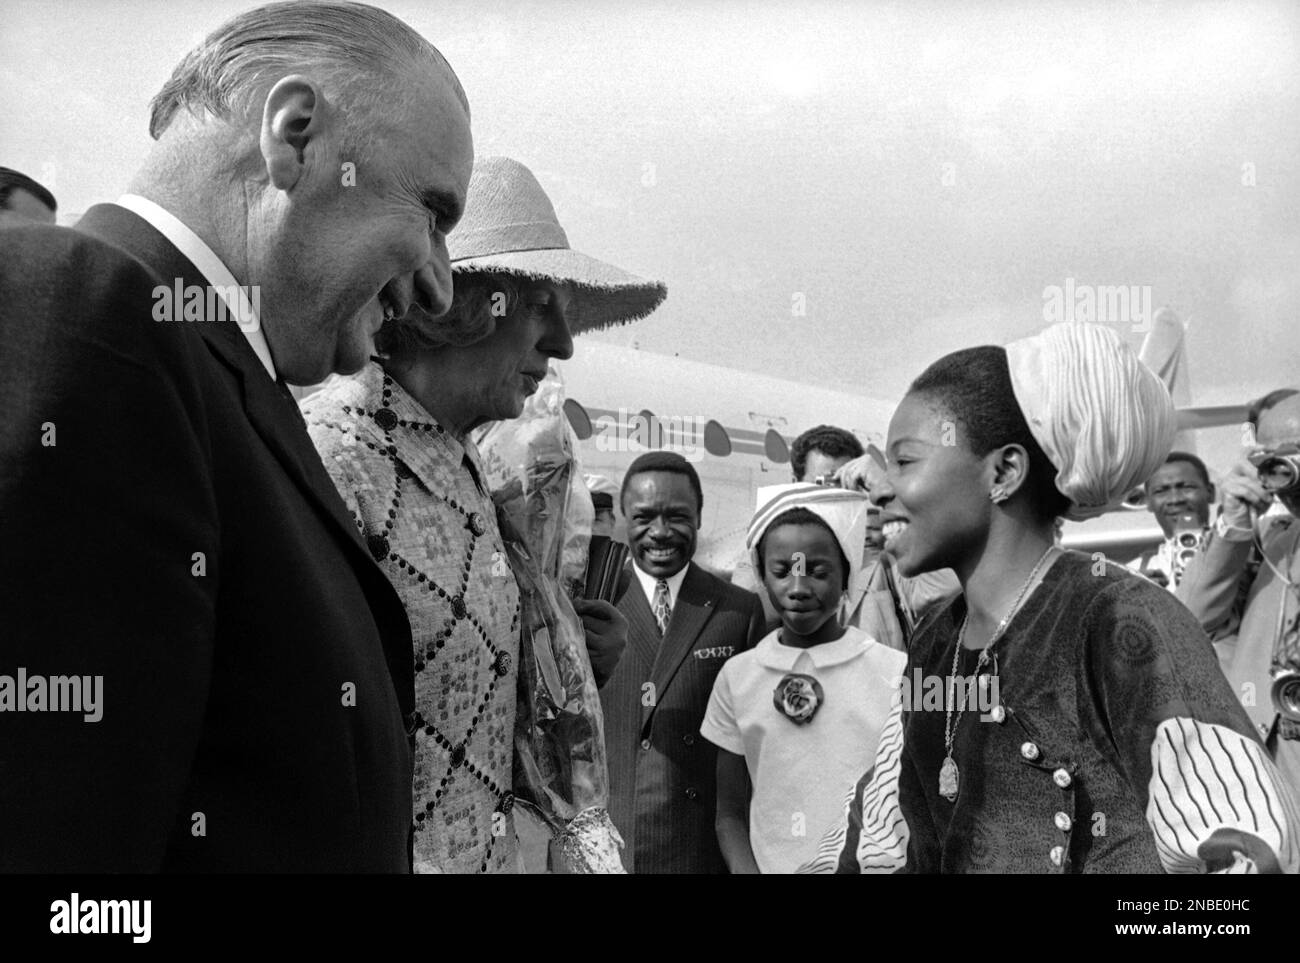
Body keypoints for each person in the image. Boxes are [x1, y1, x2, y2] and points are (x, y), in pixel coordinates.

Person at [0, 1, 471, 873]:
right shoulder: (85, 309)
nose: (441, 288)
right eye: (436, 214)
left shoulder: (202, 372)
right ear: (296, 138)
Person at [805, 323, 1298, 873]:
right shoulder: (936, 638)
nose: (879, 487)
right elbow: (879, 835)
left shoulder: (1122, 620)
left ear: (1004, 471)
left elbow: (1241, 863)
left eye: (905, 460)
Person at [304, 155, 661, 873]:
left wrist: (554, 665)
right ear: (455, 301)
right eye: (540, 308)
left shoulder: (468, 465)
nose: (562, 344)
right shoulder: (336, 459)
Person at [703, 484, 905, 873]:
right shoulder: (739, 676)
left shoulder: (893, 671)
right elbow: (729, 810)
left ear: (847, 575)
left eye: (818, 571)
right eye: (782, 571)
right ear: (761, 575)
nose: (798, 588)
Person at [602, 450, 766, 872]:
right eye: (643, 517)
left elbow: (753, 751)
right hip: (610, 847)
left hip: (697, 849)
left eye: (676, 516)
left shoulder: (738, 611)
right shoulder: (591, 602)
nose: (660, 532)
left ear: (698, 517)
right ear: (624, 517)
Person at [1177, 388, 1300, 796]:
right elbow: (1187, 626)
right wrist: (1234, 526)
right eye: (1273, 459)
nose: (1289, 470)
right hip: (1271, 785)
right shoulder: (1273, 543)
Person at [1127, 451, 1215, 589]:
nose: (1175, 499)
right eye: (1161, 491)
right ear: (1149, 502)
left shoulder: (1243, 552)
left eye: (1186, 487)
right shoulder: (1133, 575)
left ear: (1210, 493)